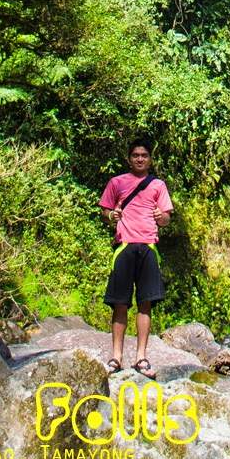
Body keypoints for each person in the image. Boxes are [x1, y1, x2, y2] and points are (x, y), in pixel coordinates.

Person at [99, 139, 173, 378]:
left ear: (150, 159)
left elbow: (166, 220)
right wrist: (113, 216)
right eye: (135, 155)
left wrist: (161, 216)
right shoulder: (117, 182)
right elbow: (105, 213)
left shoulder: (158, 185)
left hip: (149, 246)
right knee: (120, 303)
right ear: (129, 159)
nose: (140, 159)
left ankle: (141, 357)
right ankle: (116, 357)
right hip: (124, 246)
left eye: (144, 155)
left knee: (146, 303)